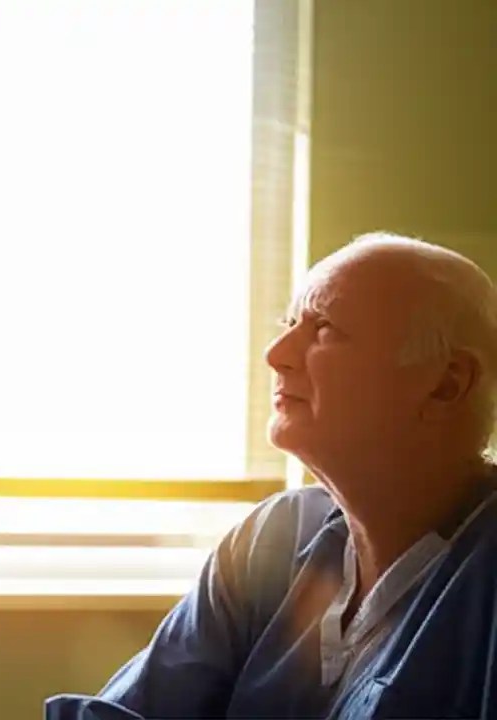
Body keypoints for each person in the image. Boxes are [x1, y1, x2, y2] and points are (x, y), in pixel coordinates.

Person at [45, 233, 497, 719]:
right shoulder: (272, 541)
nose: (276, 353)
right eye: (290, 322)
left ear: (446, 384)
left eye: (324, 327)